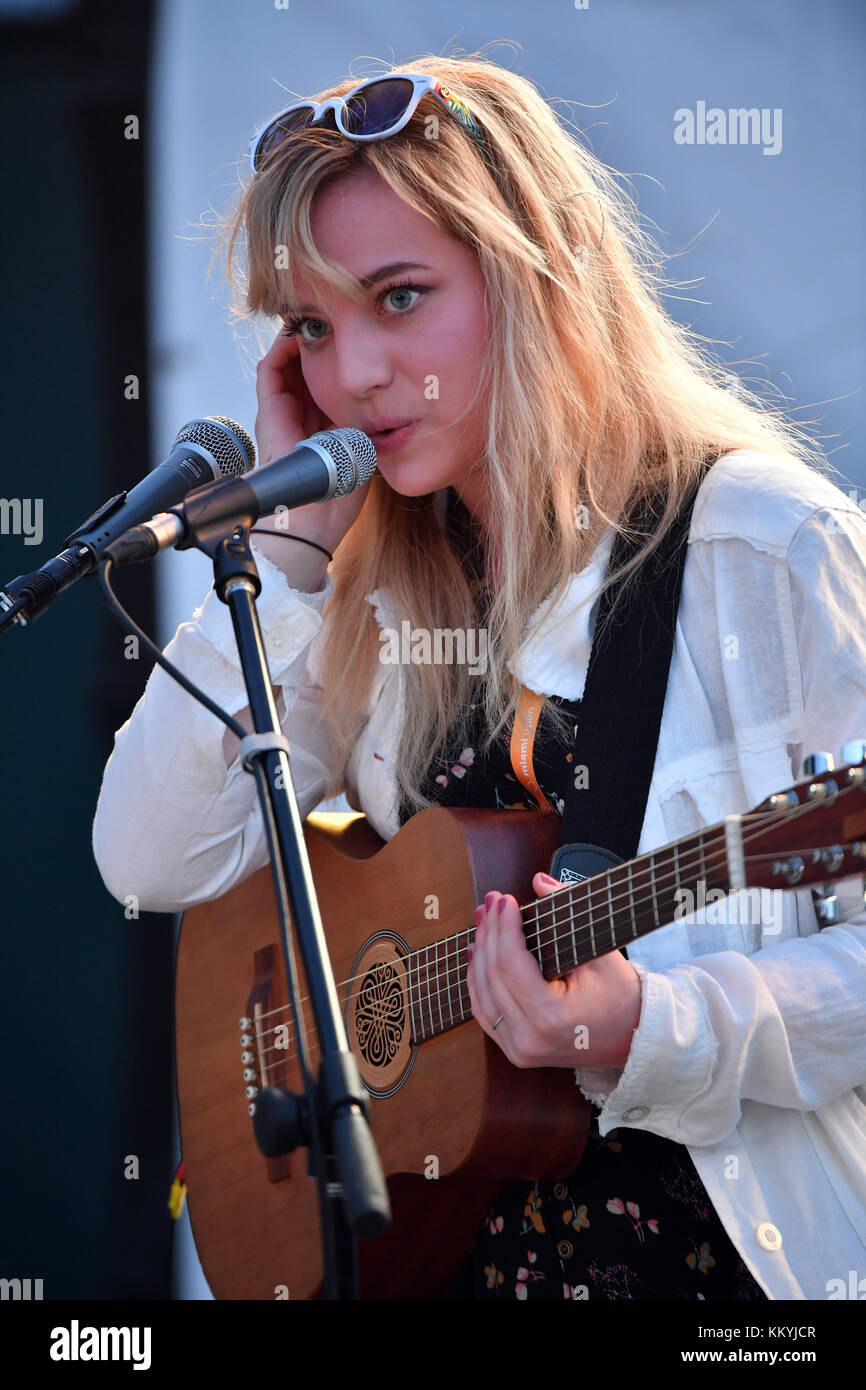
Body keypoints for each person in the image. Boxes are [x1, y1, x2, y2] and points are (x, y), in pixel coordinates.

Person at [92, 53, 866, 1301]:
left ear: (538, 273)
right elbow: (149, 858)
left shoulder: (766, 544)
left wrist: (647, 1032)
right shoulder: (377, 590)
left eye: (398, 299)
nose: (351, 376)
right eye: (311, 327)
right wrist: (289, 563)